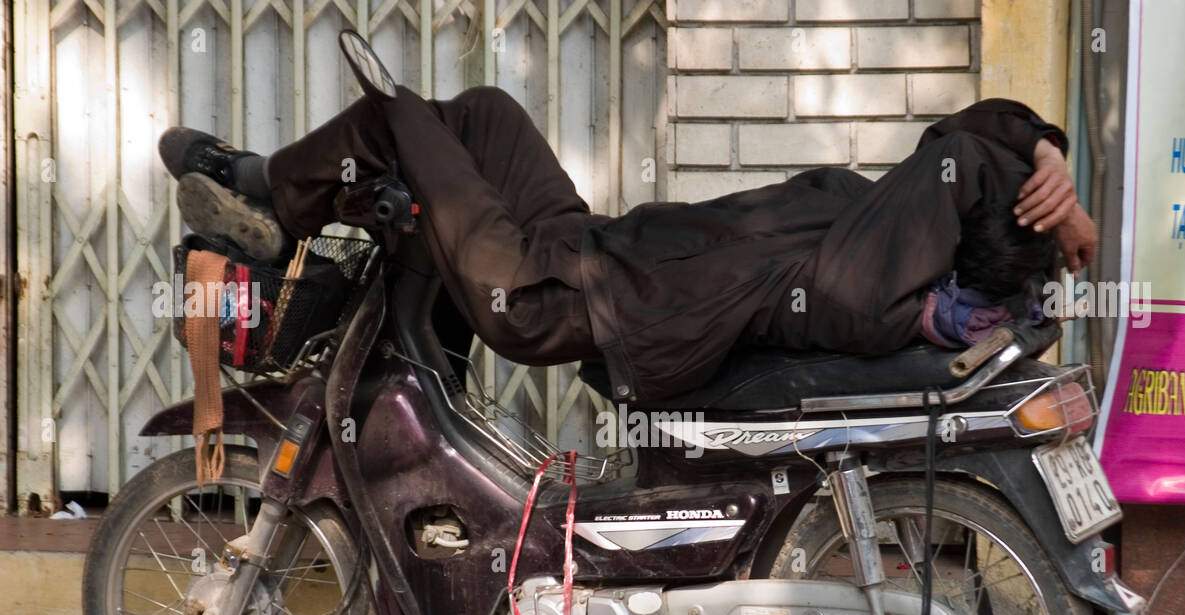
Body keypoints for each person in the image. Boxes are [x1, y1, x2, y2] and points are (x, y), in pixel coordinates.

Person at [159, 86, 1097, 403]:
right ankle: (291, 204)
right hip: (591, 248)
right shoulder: (881, 231)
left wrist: (1030, 183)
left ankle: (276, 204)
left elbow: (959, 154)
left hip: (548, 298)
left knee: (397, 117)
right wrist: (1046, 145)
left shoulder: (876, 283)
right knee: (482, 115)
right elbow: (955, 145)